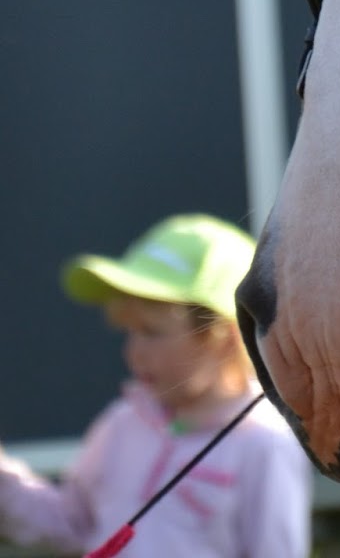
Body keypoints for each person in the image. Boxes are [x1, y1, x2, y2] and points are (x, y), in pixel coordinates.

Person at [0, 214, 312, 558]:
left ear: (223, 339)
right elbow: (72, 524)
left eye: (151, 332)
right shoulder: (121, 425)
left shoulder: (263, 444)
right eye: (129, 331)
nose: (133, 350)